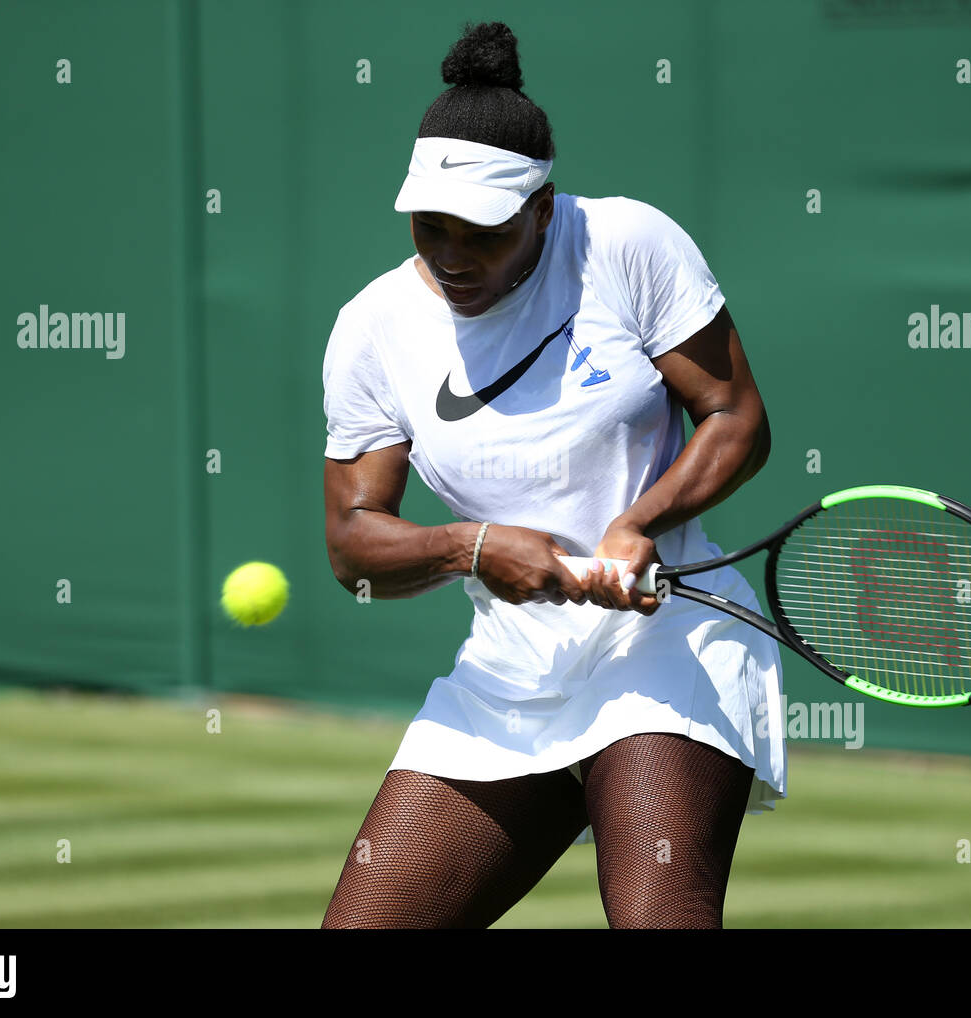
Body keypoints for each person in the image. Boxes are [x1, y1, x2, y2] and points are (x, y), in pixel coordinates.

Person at [320, 20, 785, 929]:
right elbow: (352, 545)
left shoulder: (624, 244)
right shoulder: (371, 328)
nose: (452, 254)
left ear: (541, 207)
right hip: (508, 673)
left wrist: (638, 524)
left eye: (481, 232)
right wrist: (472, 546)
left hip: (669, 644)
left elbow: (736, 418)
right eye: (430, 226)